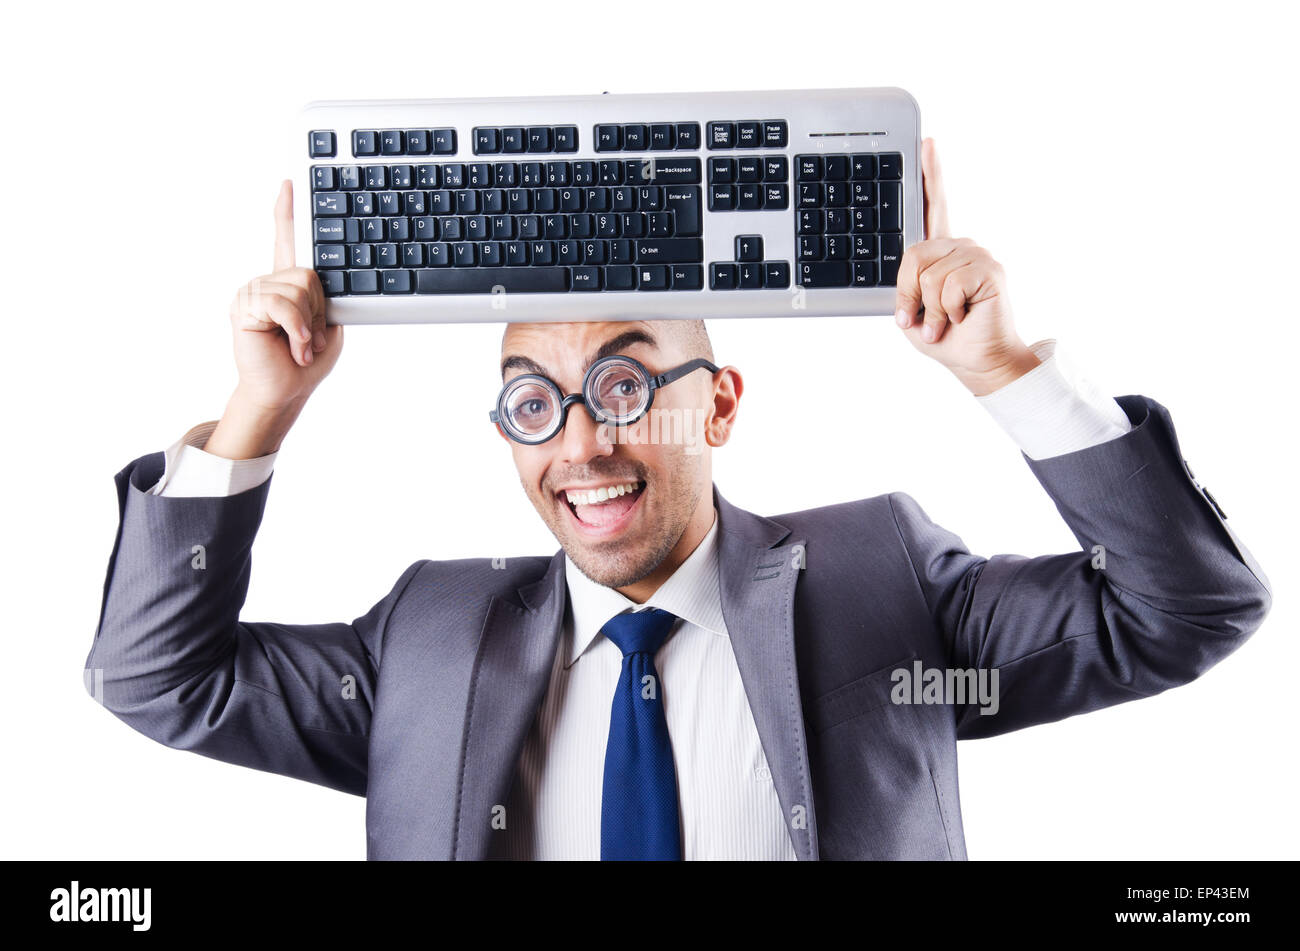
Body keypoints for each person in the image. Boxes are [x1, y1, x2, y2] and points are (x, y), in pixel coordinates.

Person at [85, 140, 1271, 860]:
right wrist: (258, 416)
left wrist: (1007, 372)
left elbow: (1184, 612)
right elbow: (152, 677)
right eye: (532, 402)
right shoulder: (428, 643)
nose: (583, 442)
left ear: (718, 403)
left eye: (626, 385)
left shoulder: (882, 584)